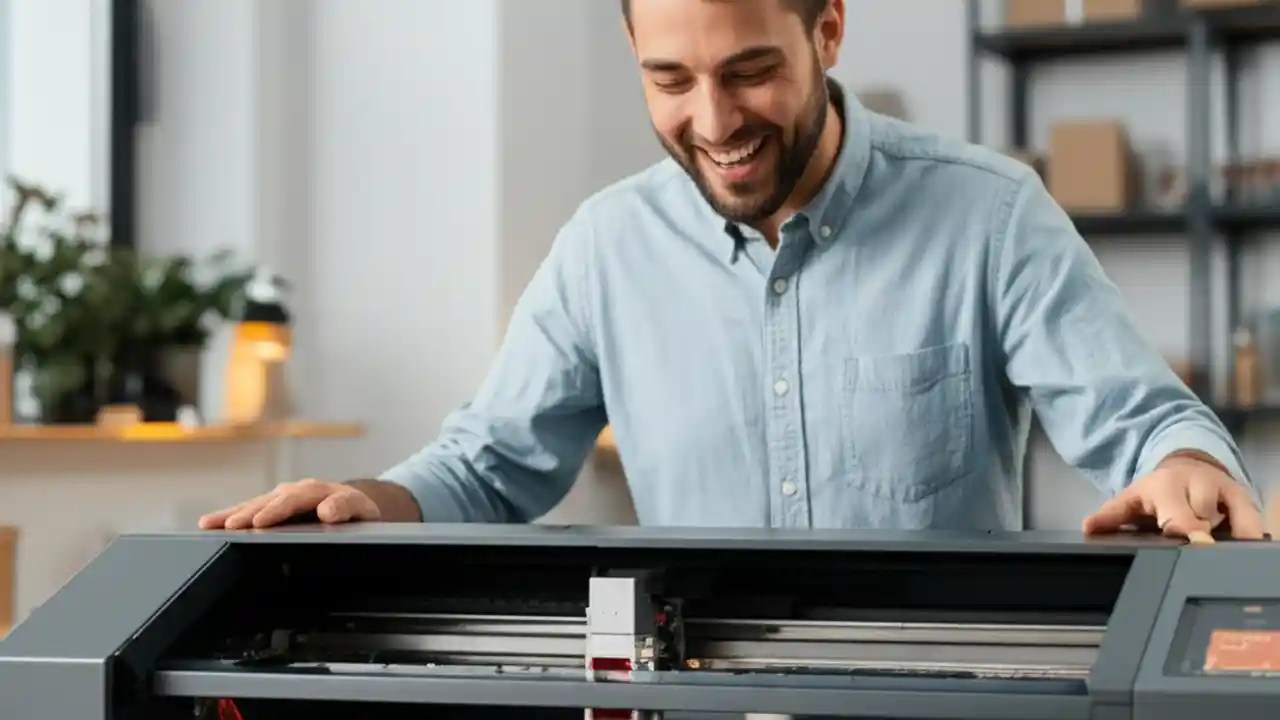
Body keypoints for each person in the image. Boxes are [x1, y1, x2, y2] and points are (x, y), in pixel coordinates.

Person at [200, 0, 1266, 542]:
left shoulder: (987, 215)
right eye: (667, 79)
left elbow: (1136, 418)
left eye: (749, 71)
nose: (711, 124)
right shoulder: (604, 248)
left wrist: (1185, 461)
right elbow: (489, 466)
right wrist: (367, 503)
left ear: (828, 30)